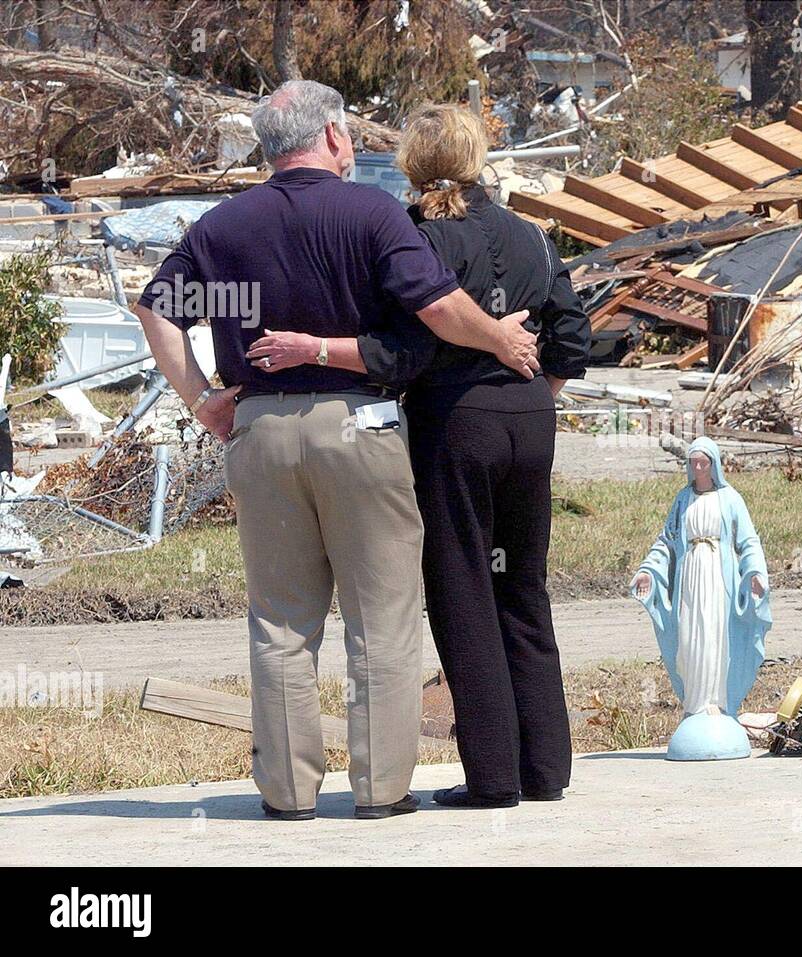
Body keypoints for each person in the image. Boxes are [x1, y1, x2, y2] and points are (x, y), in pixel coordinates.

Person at [133, 81, 539, 821]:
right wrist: (500, 336)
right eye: (348, 133)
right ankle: (380, 790)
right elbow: (440, 309)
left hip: (259, 430)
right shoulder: (373, 212)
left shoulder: (223, 226)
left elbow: (156, 310)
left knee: (281, 621)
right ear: (333, 137)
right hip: (360, 427)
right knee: (380, 617)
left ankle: (287, 793)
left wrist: (201, 398)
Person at [250, 104, 590, 808]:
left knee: (462, 592)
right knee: (524, 589)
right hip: (531, 419)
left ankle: (494, 776)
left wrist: (320, 350)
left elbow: (404, 351)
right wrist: (528, 391)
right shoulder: (532, 234)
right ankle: (545, 766)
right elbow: (572, 336)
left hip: (455, 425)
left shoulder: (415, 237)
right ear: (479, 155)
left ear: (411, 164)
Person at [631, 437, 771, 720]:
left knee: (716, 634)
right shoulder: (683, 499)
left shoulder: (730, 499)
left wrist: (755, 572)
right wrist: (648, 570)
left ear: (714, 465)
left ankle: (718, 702)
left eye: (703, 462)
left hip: (719, 579)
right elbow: (666, 541)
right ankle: (694, 704)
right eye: (693, 462)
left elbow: (748, 541)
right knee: (690, 637)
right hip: (690, 578)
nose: (697, 467)